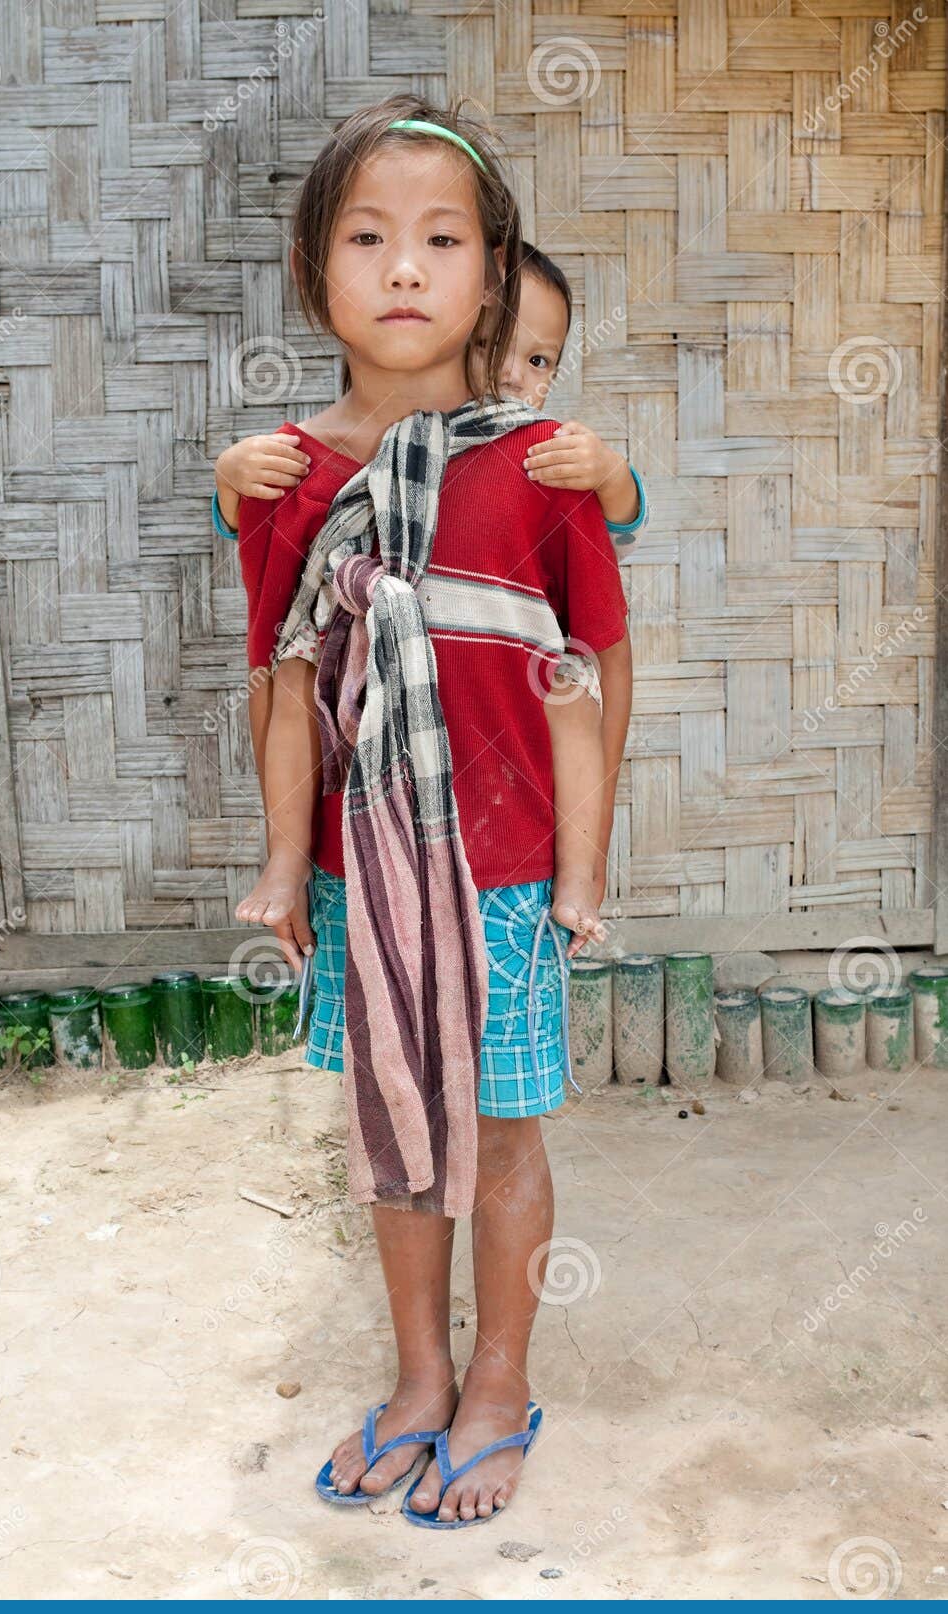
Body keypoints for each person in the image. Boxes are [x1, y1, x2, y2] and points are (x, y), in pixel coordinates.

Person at [213, 96, 633, 1527]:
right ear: (311, 269)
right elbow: (281, 684)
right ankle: (417, 1376)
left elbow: (585, 677)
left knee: (501, 1133)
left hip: (503, 873)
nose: (403, 267)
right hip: (362, 875)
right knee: (394, 1128)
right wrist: (286, 861)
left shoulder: (541, 467)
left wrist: (582, 868)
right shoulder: (286, 477)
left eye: (442, 240)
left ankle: (500, 1380)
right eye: (367, 238)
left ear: (493, 272)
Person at [216, 240, 642, 944]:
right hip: (353, 657)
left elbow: (620, 538)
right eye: (493, 346)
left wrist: (612, 473)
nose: (514, 374)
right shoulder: (329, 454)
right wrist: (230, 483)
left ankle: (574, 872)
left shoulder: (551, 458)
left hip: (514, 662)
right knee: (293, 675)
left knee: (571, 695)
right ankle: (285, 861)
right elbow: (262, 578)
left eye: (541, 361)